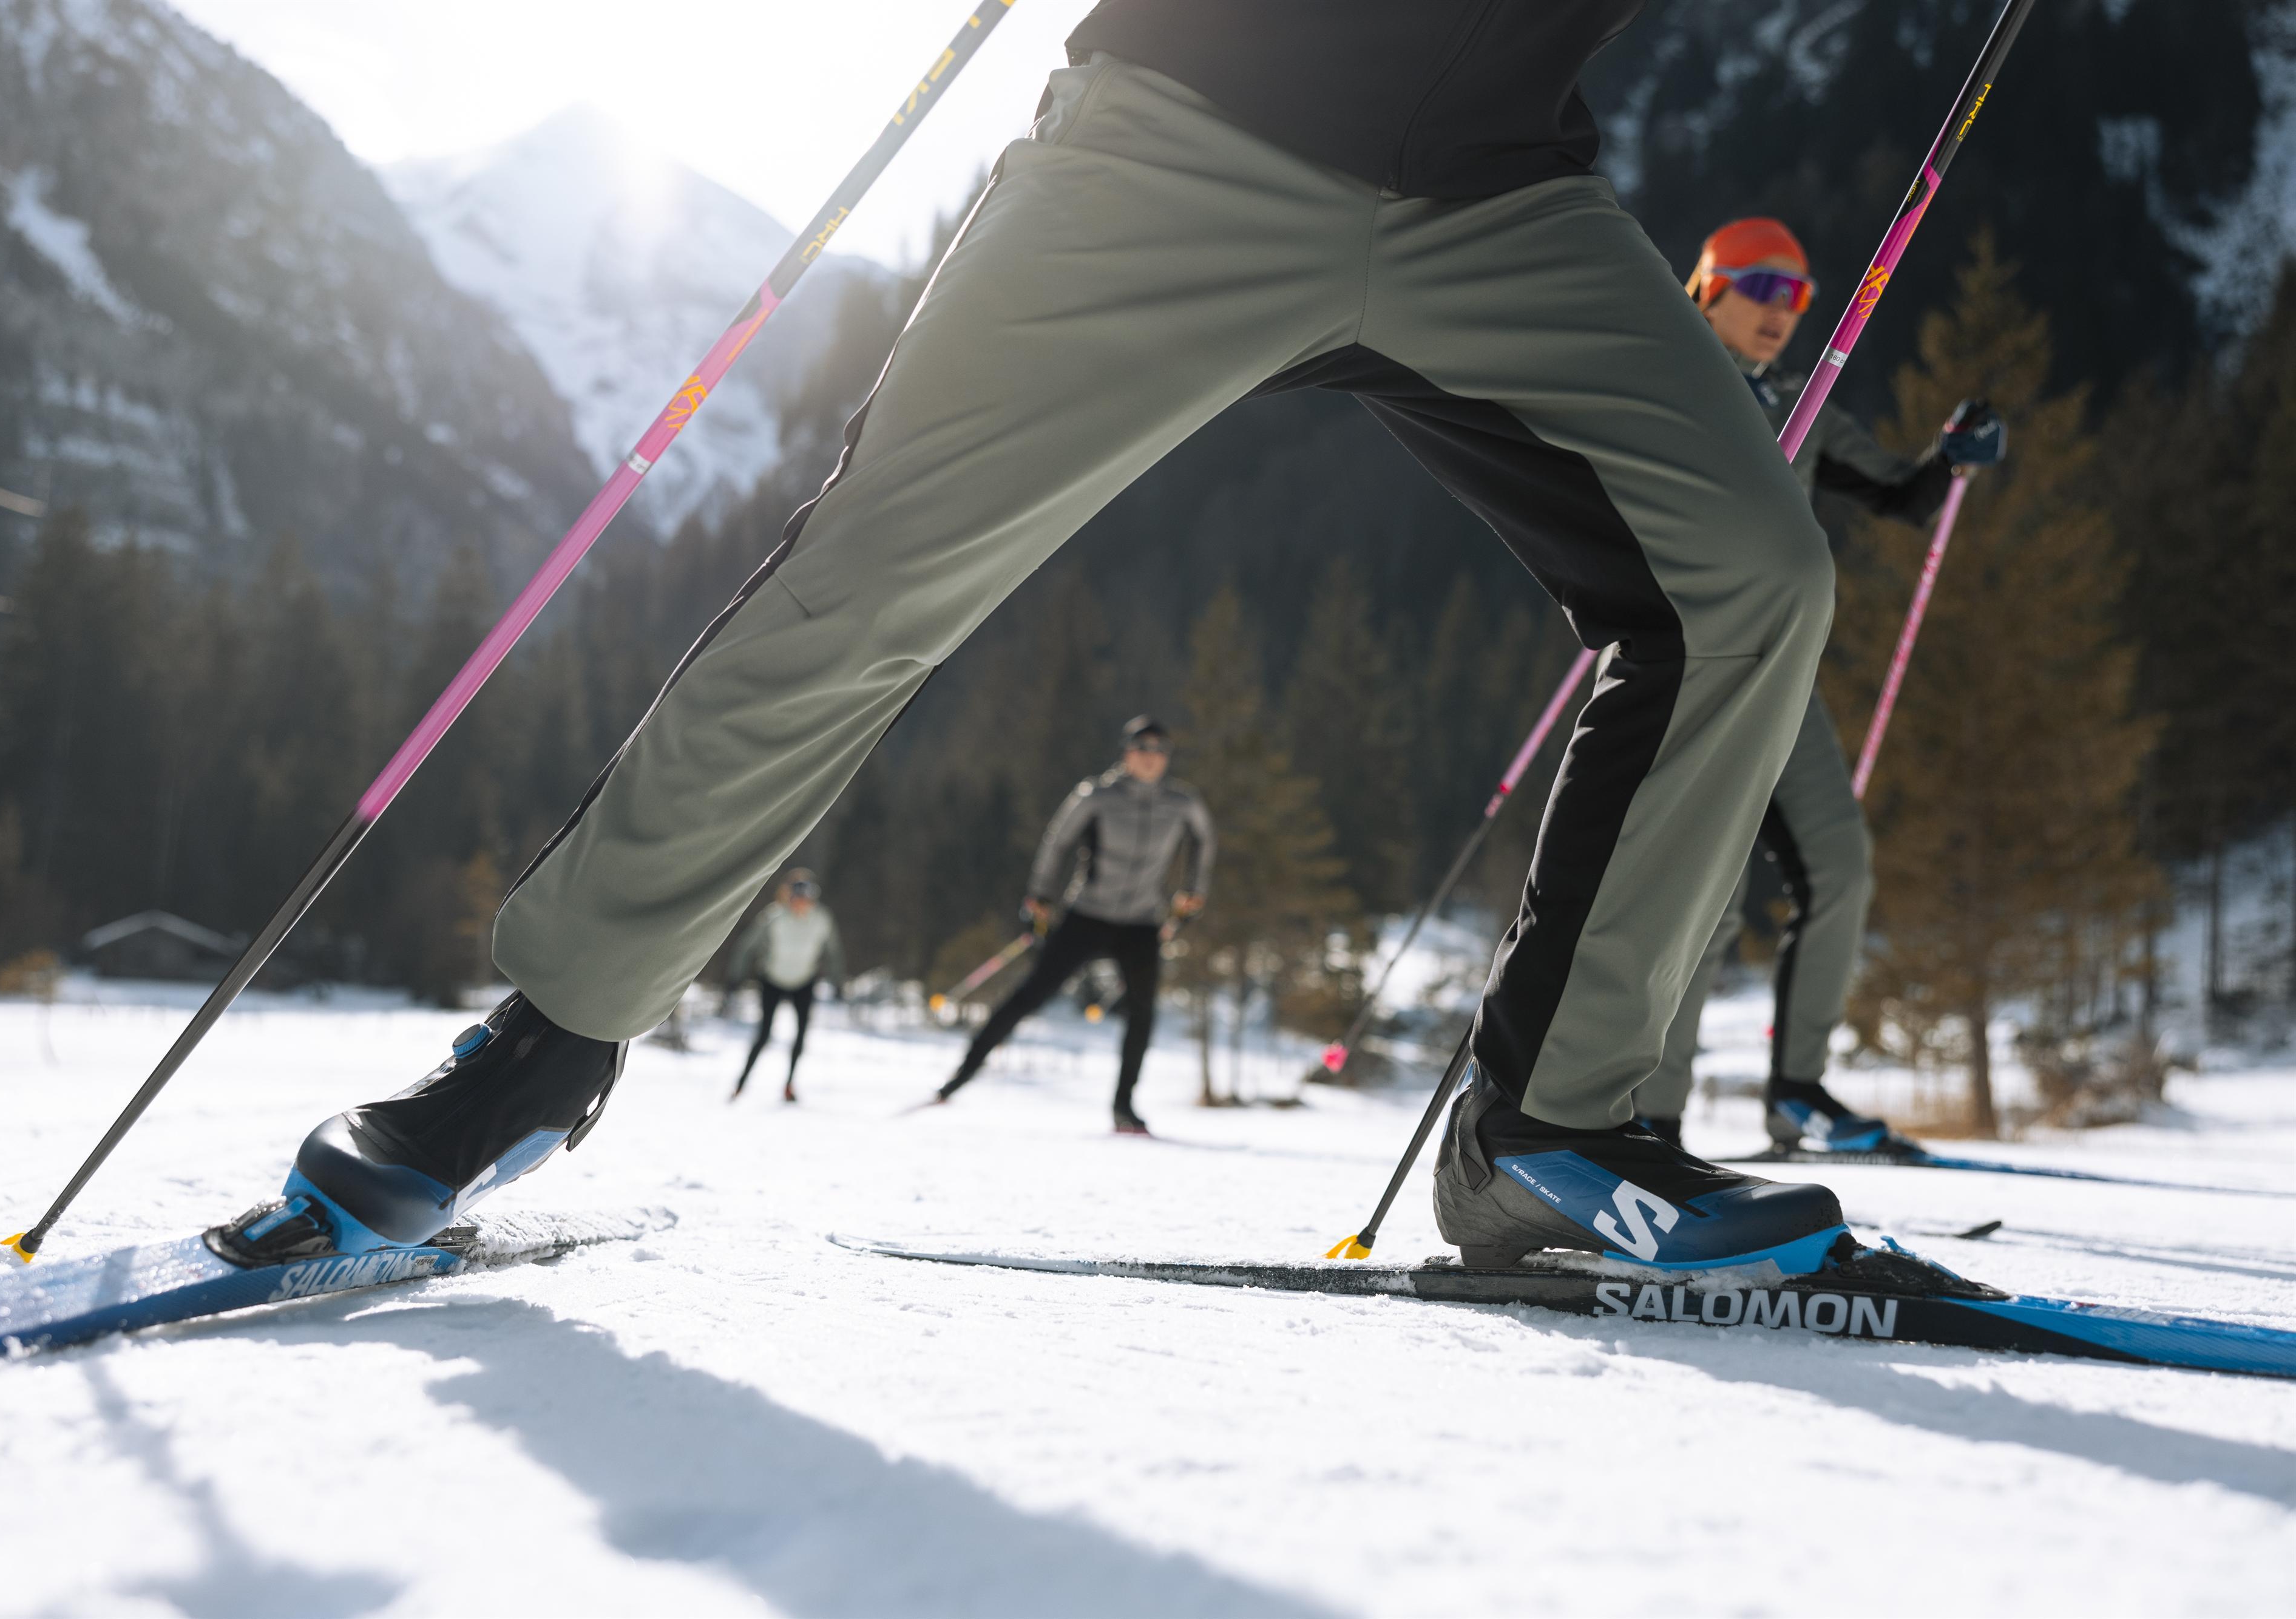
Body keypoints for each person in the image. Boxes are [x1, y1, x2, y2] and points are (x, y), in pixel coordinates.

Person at [224, 3, 1868, 1279]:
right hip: (1186, 126)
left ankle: (1556, 1130)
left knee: (1749, 575)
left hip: (1498, 195)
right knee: (872, 570)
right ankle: (546, 1043)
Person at [1625, 217, 2007, 1156]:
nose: (1779, 310)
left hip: (1786, 677)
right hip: (1693, 667)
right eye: (1757, 286)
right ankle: (1649, 1119)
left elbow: (1900, 496)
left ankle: (1796, 1091)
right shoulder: (1665, 376)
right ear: (1705, 288)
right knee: (1705, 902)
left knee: (1840, 865)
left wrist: (1953, 459)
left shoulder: (1808, 400)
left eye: (1796, 294)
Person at [935, 716, 1213, 1134]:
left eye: (1159, 751)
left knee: (1142, 1012)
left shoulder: (1181, 803)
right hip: (1089, 914)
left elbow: (1205, 839)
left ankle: (1124, 1106)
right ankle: (959, 1077)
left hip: (1141, 921)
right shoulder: (1097, 795)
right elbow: (1057, 840)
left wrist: (1194, 890)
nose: (1151, 758)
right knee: (1030, 994)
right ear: (1126, 752)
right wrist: (1040, 896)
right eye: (1142, 748)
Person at [725, 869, 846, 1104]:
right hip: (773, 980)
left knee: (800, 1036)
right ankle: (740, 1085)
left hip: (804, 981)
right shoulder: (774, 917)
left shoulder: (822, 919)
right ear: (789, 898)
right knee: (764, 1034)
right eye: (797, 899)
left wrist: (837, 980)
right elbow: (747, 947)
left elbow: (834, 952)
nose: (801, 904)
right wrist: (736, 977)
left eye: (806, 900)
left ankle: (789, 1085)